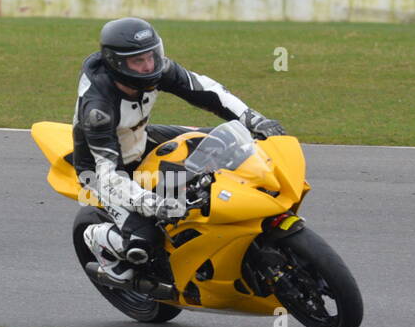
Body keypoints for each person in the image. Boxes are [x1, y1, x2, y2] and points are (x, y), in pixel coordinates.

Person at [72, 17, 285, 285]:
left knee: (225, 143)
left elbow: (206, 90)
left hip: (141, 138)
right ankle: (99, 239)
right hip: (104, 168)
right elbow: (108, 173)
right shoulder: (98, 109)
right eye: (138, 61)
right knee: (144, 242)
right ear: (116, 63)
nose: (148, 65)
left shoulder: (155, 69)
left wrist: (253, 119)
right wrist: (153, 204)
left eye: (151, 56)